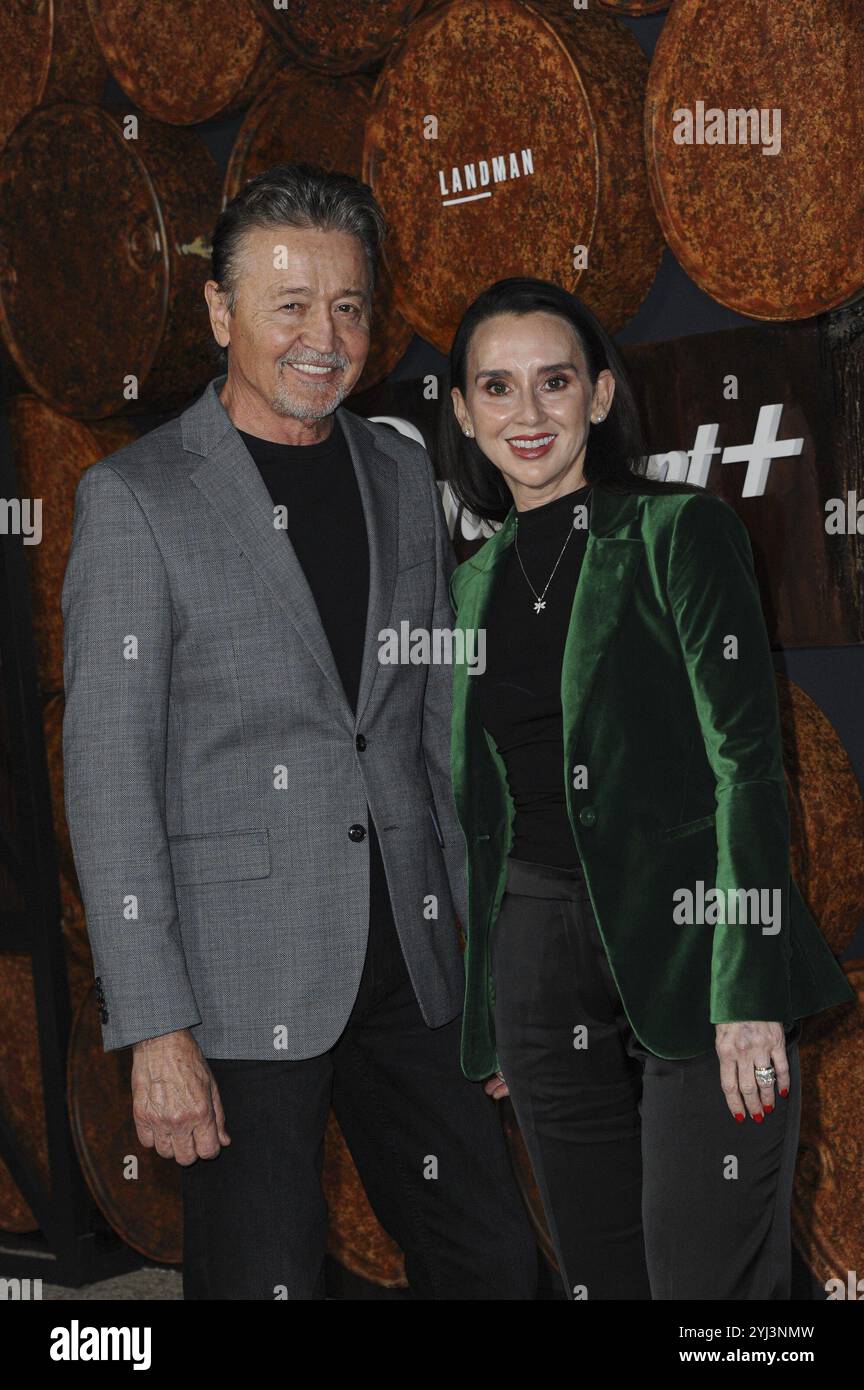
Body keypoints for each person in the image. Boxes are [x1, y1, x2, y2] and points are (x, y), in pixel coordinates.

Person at [61, 165, 537, 1300]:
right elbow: (108, 778)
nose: (324, 337)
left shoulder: (398, 467)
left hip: (408, 961)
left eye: (349, 306)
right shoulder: (136, 500)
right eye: (290, 306)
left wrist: (491, 974)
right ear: (223, 315)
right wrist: (156, 1028)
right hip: (237, 983)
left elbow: (434, 739)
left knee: (496, 1262)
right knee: (260, 1280)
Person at [441, 276, 854, 1300]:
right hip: (537, 949)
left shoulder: (681, 533)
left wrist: (748, 991)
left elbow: (748, 766)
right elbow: (484, 807)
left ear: (599, 395)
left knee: (701, 1278)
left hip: (695, 936)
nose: (525, 413)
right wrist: (496, 1002)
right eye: (496, 387)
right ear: (461, 411)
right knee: (602, 1268)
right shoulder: (471, 582)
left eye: (553, 382)